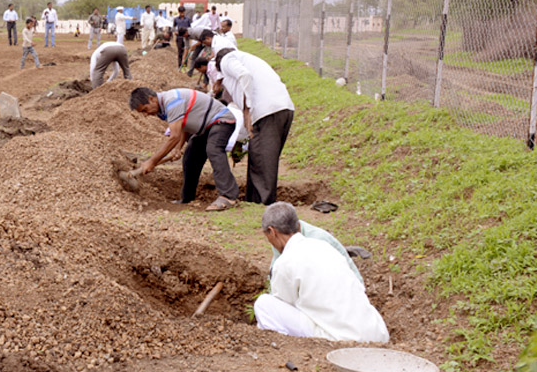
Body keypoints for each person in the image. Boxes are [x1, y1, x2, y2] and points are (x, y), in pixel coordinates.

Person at [254, 203, 388, 342]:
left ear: (272, 231)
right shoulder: (325, 246)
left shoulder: (284, 262)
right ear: (298, 226)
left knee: (263, 304)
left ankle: (285, 349)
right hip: (376, 333)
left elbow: (285, 305)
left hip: (341, 338)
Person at [129, 87, 239, 211]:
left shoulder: (172, 101)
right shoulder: (162, 108)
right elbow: (183, 125)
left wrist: (152, 161)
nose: (145, 114)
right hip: (207, 127)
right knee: (190, 156)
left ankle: (228, 196)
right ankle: (187, 198)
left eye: (145, 109)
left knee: (214, 149)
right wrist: (177, 148)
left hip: (222, 120)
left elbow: (174, 136)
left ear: (151, 99)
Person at [217, 48, 295, 205]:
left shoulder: (227, 59)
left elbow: (244, 75)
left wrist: (248, 108)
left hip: (268, 111)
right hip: (283, 108)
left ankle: (263, 202)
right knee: (259, 154)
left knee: (262, 158)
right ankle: (253, 200)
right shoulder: (250, 58)